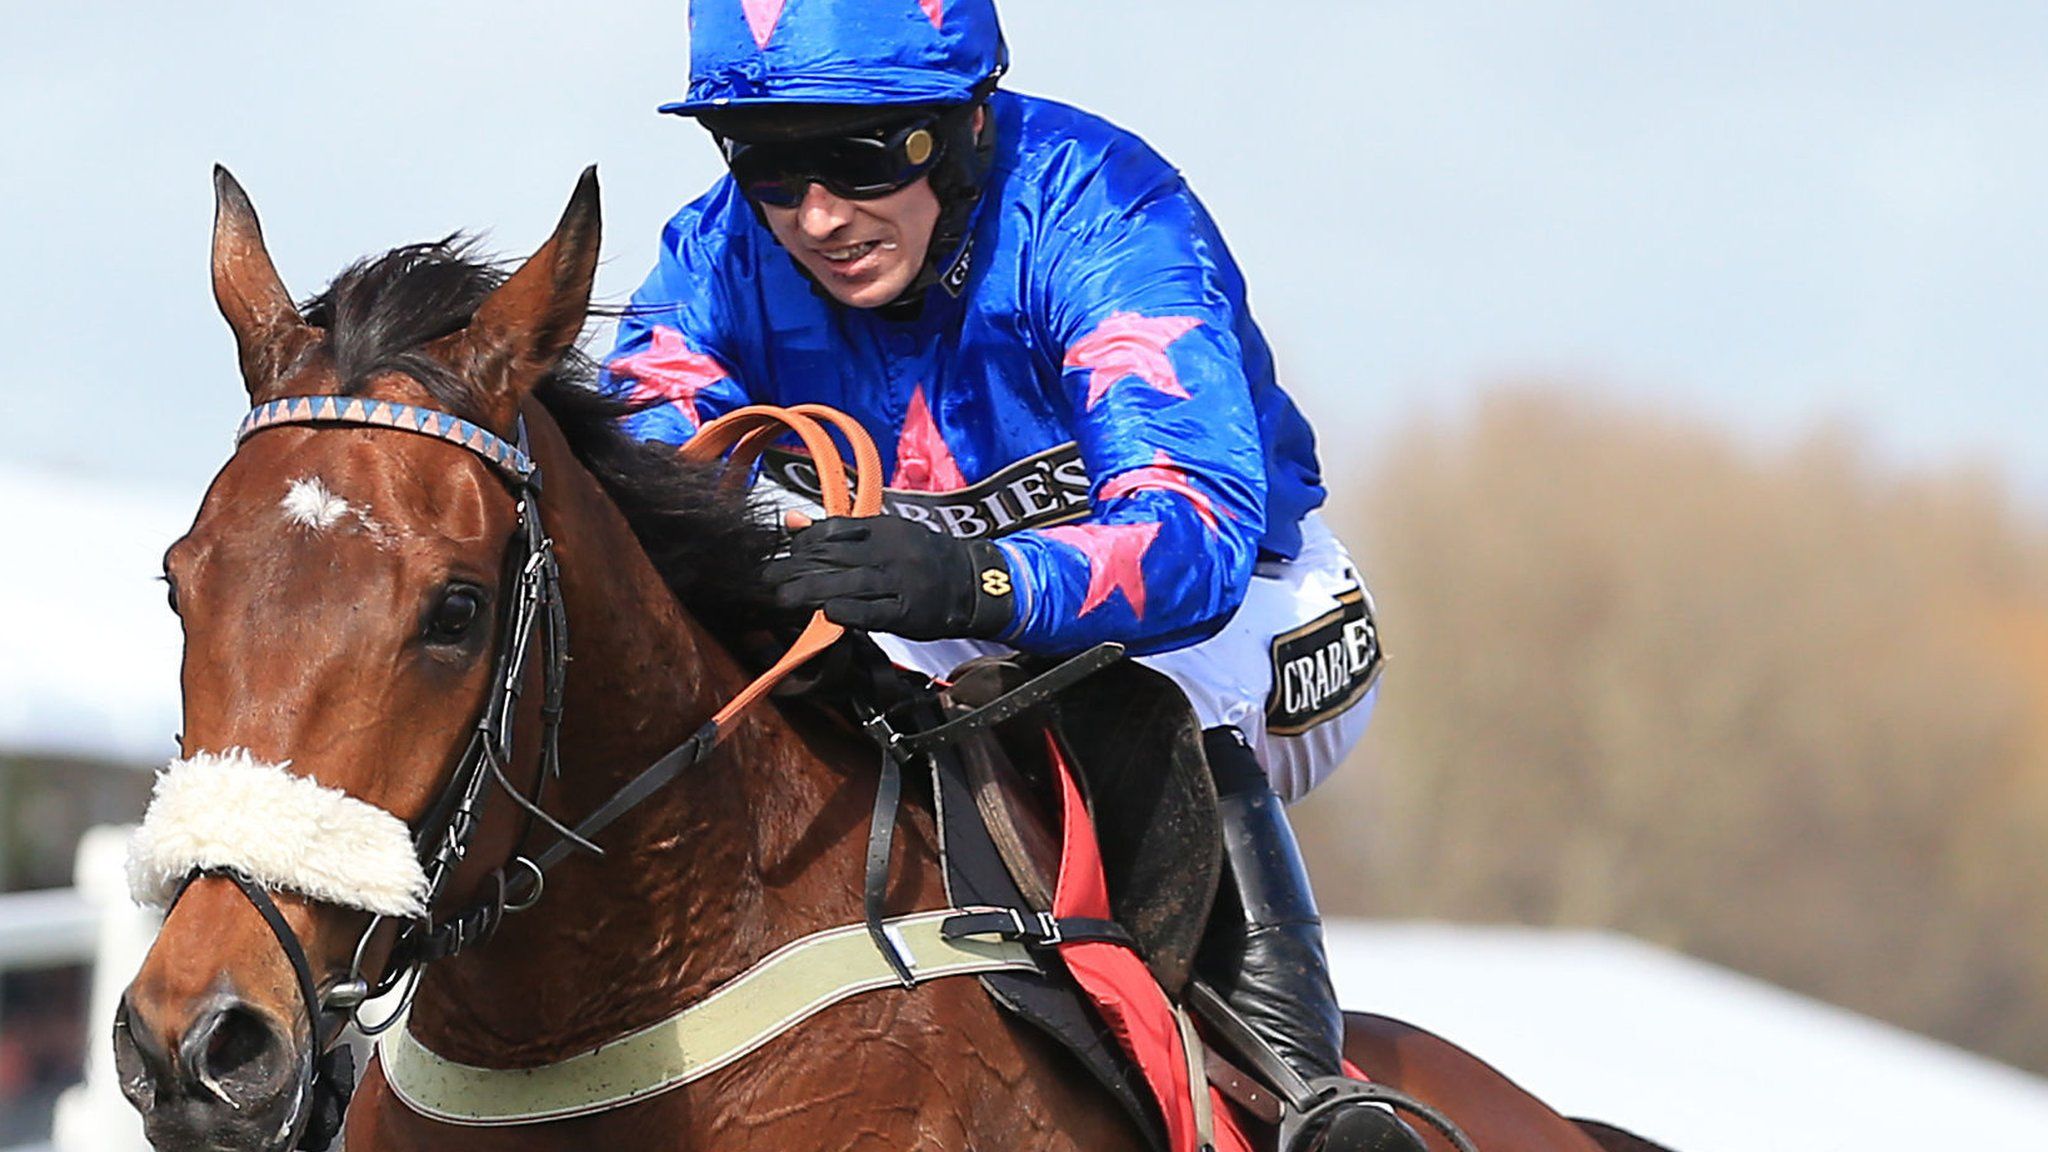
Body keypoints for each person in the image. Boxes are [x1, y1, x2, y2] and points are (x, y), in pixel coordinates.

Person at [604, 3, 1415, 1150]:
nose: (817, 215)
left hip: (1245, 619)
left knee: (1121, 698)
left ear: (964, 124)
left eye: (860, 156)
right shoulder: (718, 253)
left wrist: (981, 581)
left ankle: (1311, 1102)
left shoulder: (1101, 210)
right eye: (770, 165)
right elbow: (639, 486)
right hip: (952, 622)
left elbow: (1193, 532)